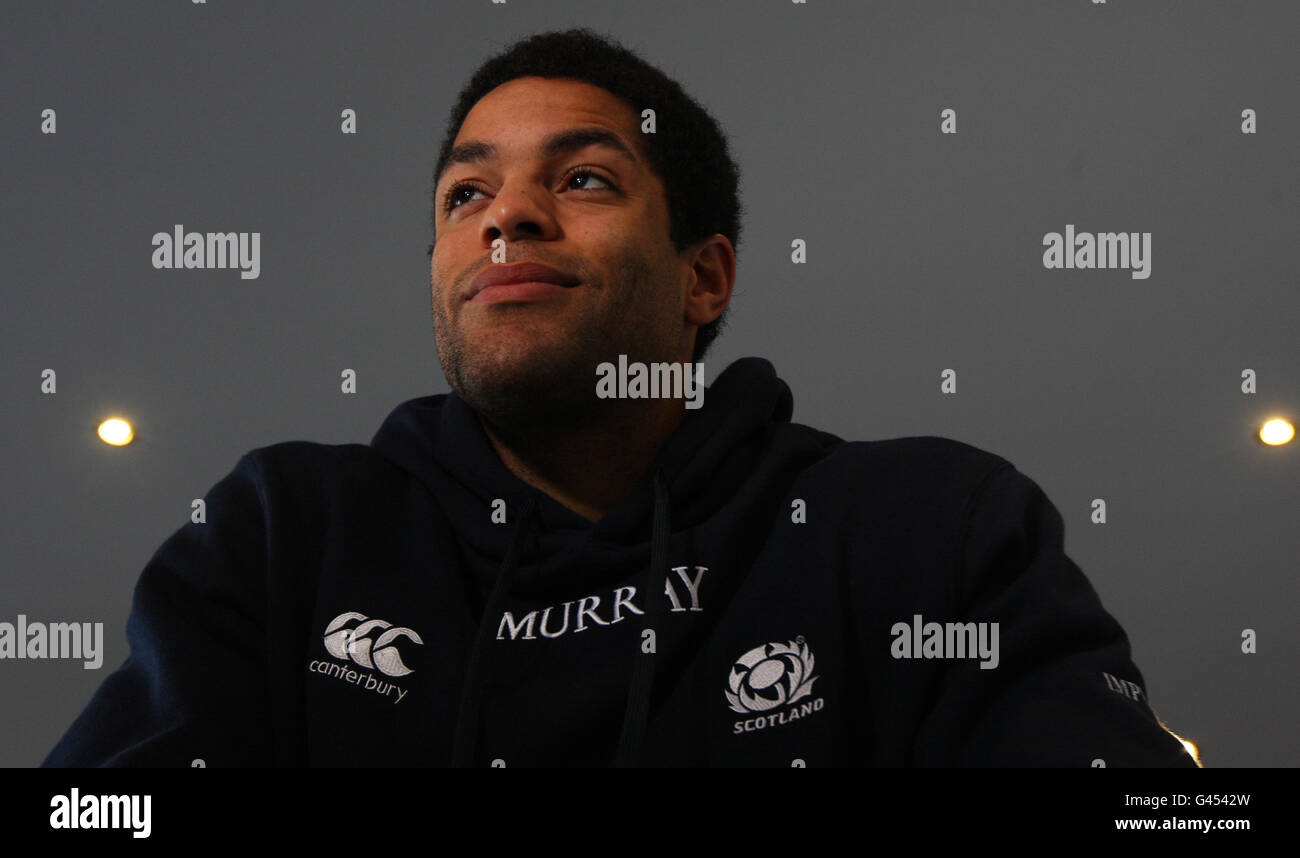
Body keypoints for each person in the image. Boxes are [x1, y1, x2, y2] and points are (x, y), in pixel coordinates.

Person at [43, 27, 1196, 768]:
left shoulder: (929, 525)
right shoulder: (282, 533)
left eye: (582, 178)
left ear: (707, 276)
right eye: (465, 193)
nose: (506, 217)